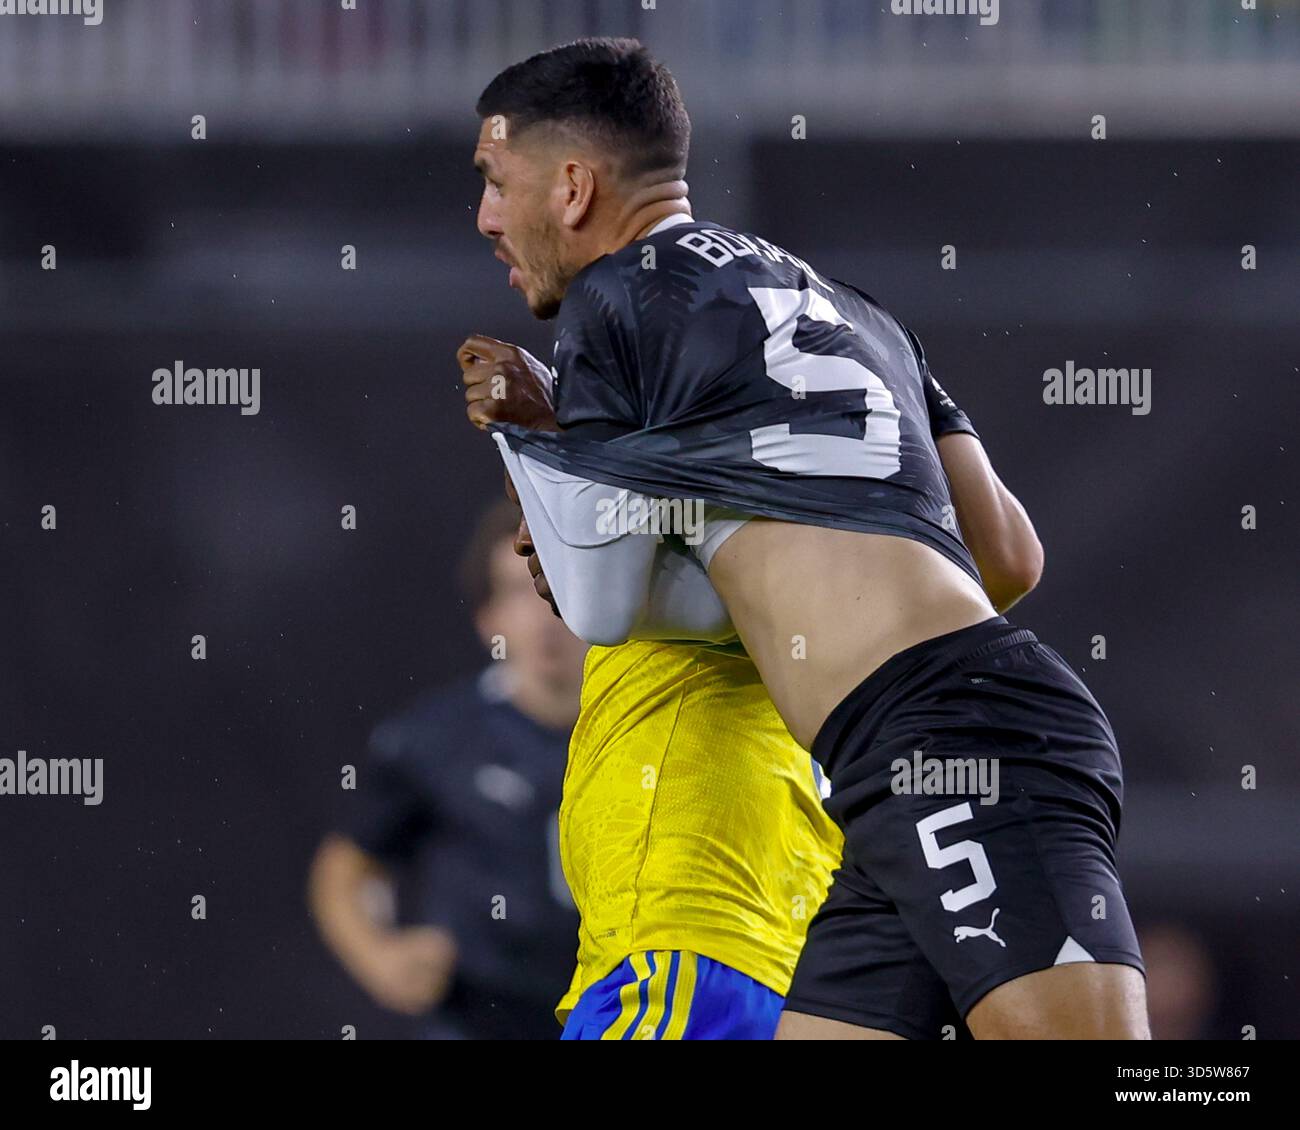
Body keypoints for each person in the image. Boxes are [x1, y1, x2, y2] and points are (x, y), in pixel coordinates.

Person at [461, 37, 1148, 1040]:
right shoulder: (855, 311)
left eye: (494, 181)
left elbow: (597, 596)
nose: (485, 216)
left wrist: (535, 437)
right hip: (903, 755)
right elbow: (1008, 556)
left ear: (571, 187)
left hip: (941, 736)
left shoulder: (622, 298)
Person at [308, 500, 587, 1039]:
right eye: (516, 588)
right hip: (480, 1023)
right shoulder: (435, 739)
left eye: (556, 583)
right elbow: (346, 869)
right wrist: (383, 957)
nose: (541, 612)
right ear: (488, 620)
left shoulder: (657, 730)